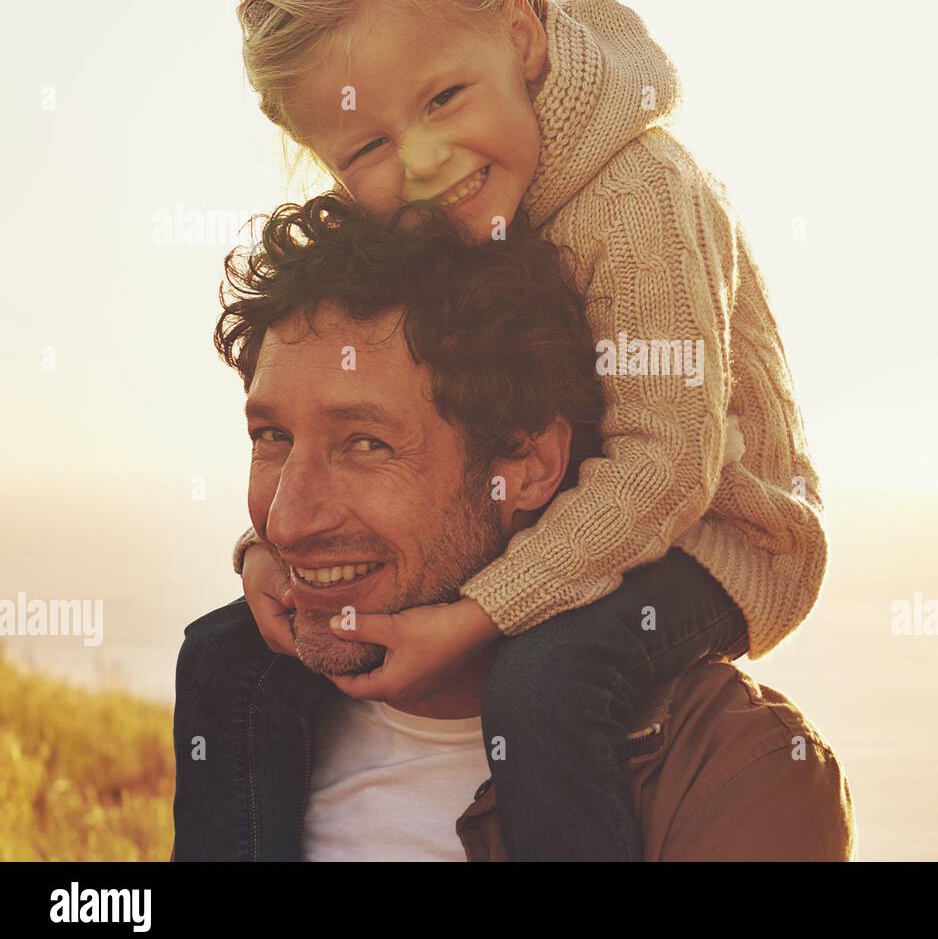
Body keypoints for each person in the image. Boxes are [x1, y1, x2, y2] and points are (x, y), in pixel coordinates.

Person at [229, 0, 830, 860]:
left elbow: (669, 467)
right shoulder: (451, 210)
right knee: (226, 656)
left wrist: (479, 616)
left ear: (519, 35)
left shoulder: (639, 201)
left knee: (547, 683)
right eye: (370, 148)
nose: (424, 161)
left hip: (712, 537)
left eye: (443, 99)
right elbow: (366, 415)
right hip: (557, 507)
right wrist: (277, 556)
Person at [171, 195, 854, 861]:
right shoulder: (242, 717)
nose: (285, 520)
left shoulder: (737, 774)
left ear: (526, 465)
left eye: (366, 444)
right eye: (273, 436)